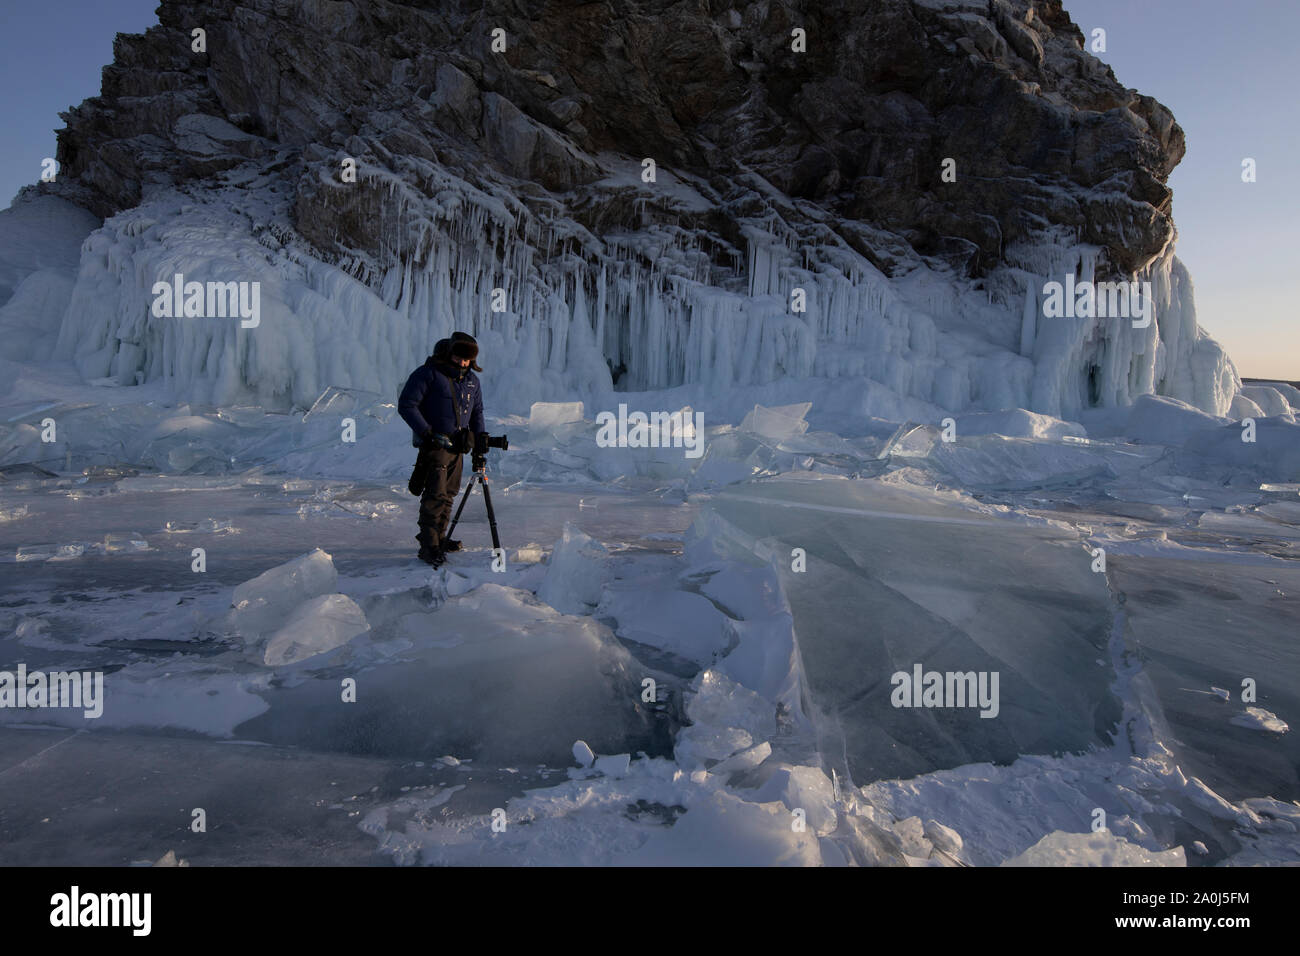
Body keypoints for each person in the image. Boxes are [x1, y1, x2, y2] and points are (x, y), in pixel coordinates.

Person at [398, 331, 487, 566]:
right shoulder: (429, 374)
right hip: (435, 445)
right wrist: (427, 433)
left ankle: (439, 537)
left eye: (467, 359)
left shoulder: (472, 381)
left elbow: (477, 414)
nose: (463, 363)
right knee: (435, 495)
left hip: (458, 446)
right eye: (459, 357)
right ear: (450, 353)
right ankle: (429, 546)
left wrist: (479, 445)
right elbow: (407, 404)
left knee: (448, 495)